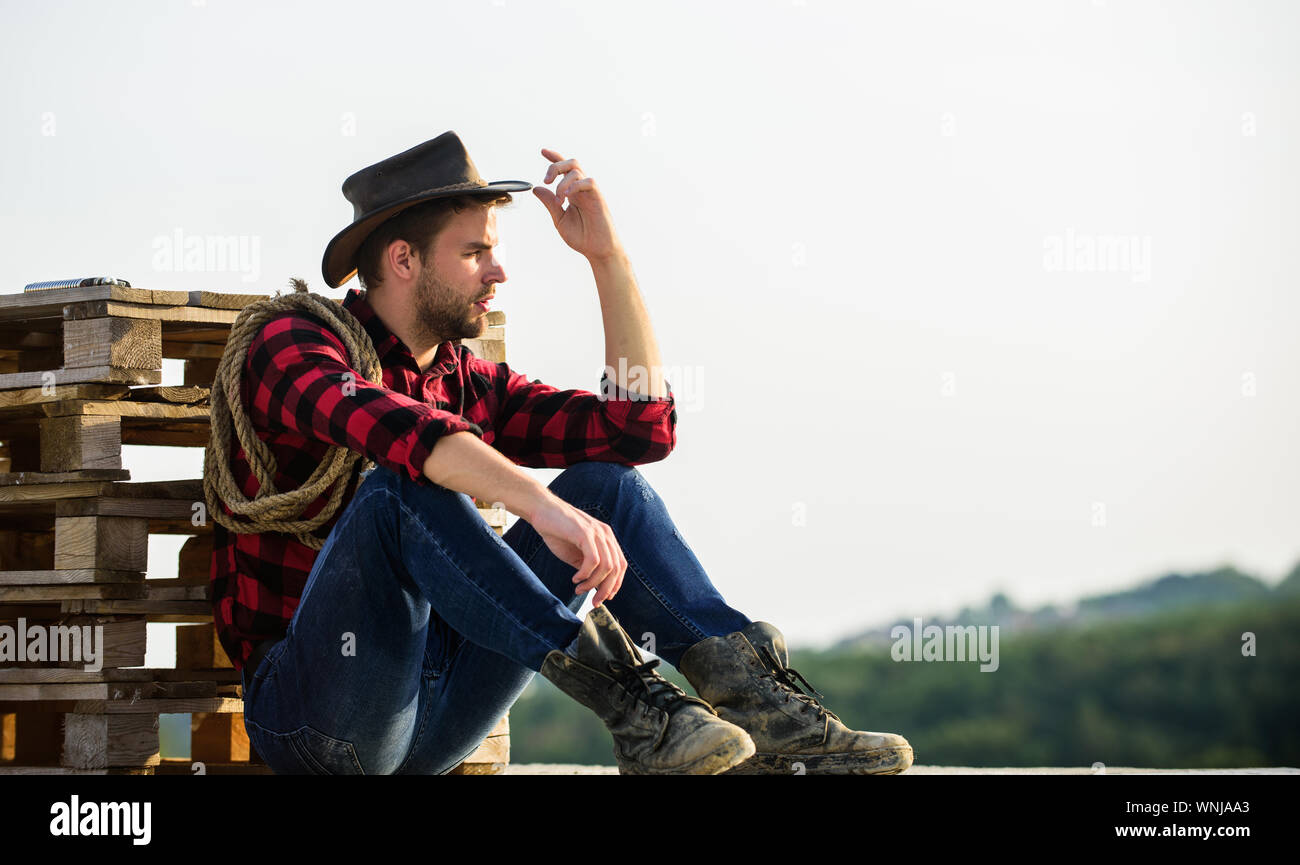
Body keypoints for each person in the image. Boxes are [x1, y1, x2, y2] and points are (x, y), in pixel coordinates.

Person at [210, 131, 913, 775]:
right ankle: (630, 700)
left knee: (608, 486)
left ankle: (767, 711)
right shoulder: (294, 346)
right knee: (401, 490)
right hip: (321, 724)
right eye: (475, 252)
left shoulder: (464, 381)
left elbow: (641, 429)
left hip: (436, 711)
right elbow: (400, 430)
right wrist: (543, 509)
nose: (499, 271)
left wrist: (608, 257)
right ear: (403, 260)